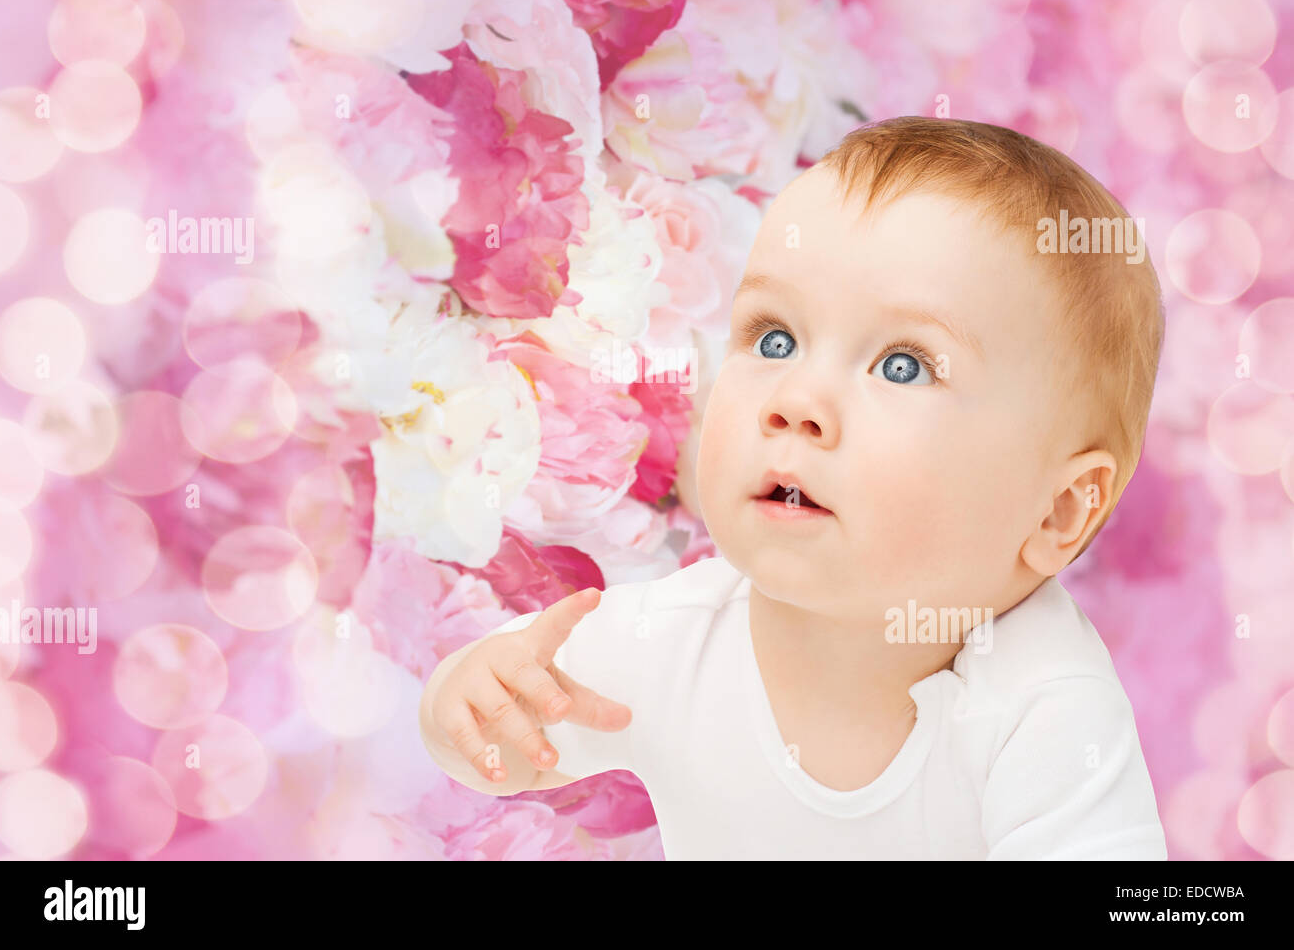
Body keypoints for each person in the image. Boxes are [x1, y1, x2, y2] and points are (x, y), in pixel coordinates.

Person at [419, 116, 1168, 860]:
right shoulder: (675, 636)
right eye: (775, 338)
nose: (797, 397)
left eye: (902, 365)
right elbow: (495, 749)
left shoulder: (1043, 707)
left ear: (1059, 508)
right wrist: (473, 703)